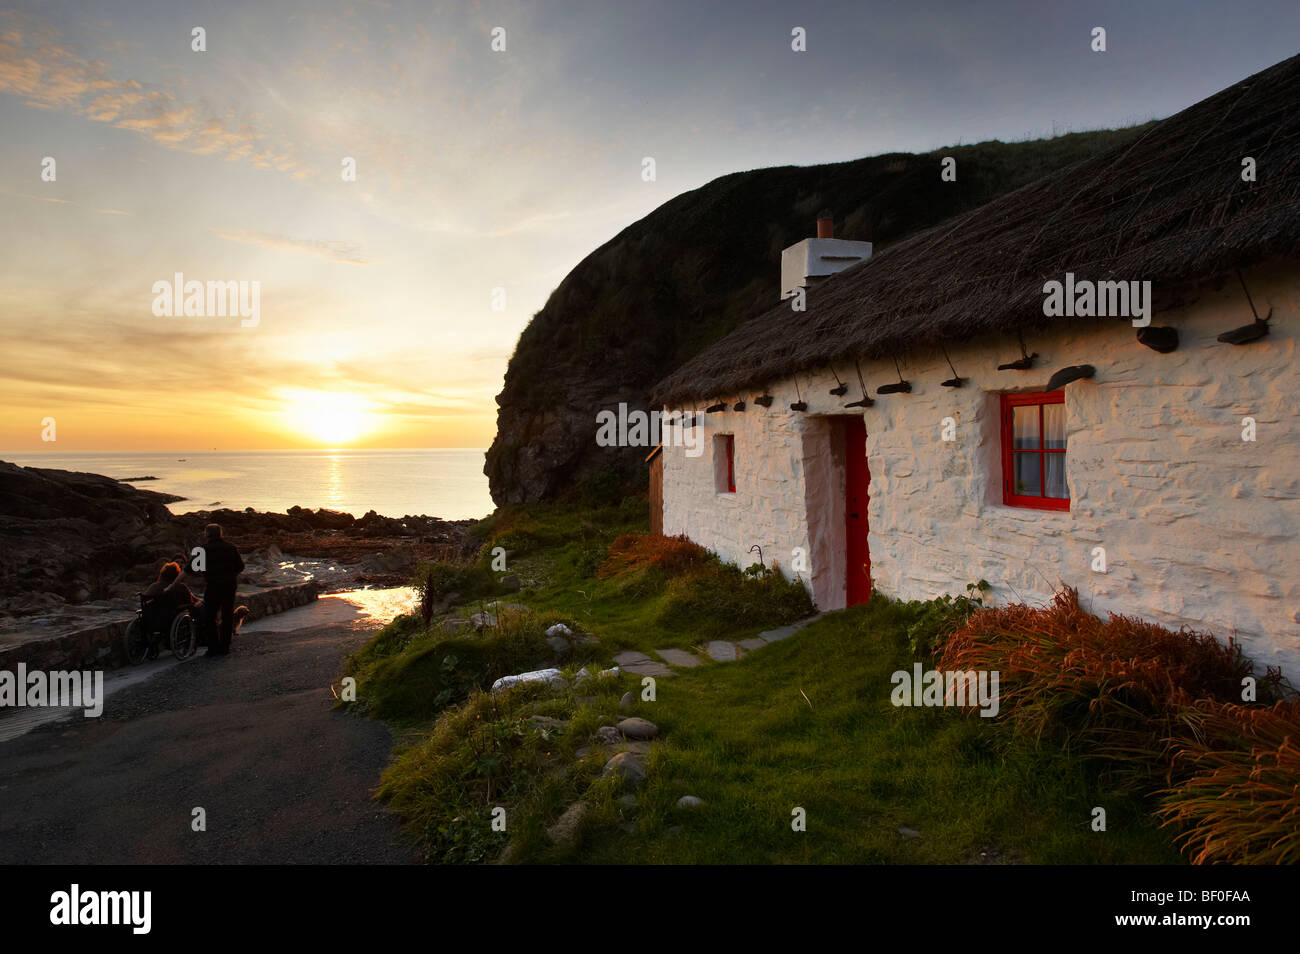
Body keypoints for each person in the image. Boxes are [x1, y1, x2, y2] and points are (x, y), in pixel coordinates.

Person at [194, 523, 244, 658]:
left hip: (213, 586)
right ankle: (225, 646)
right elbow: (240, 566)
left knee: (210, 617)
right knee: (227, 615)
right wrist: (231, 575)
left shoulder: (202, 549)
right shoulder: (231, 547)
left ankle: (213, 648)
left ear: (207, 534)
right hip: (229, 585)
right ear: (220, 533)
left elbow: (192, 568)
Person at [141, 561, 200, 659]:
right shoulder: (180, 587)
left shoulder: (153, 587)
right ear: (176, 575)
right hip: (169, 619)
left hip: (151, 619)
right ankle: (190, 643)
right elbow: (189, 602)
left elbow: (147, 601)